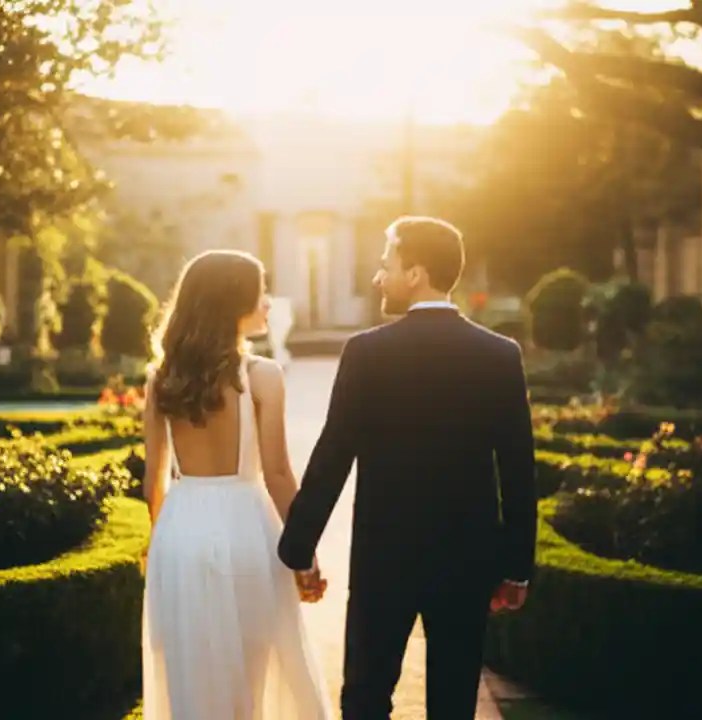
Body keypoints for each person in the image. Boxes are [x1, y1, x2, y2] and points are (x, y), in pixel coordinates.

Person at [278, 216, 537, 719]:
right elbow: (518, 470)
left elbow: (333, 456)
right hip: (469, 559)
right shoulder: (499, 355)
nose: (379, 277)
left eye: (386, 265)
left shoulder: (367, 353)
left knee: (367, 697)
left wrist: (299, 546)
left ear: (415, 273)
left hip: (384, 558)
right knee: (453, 700)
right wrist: (516, 567)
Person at [141, 250, 332, 719]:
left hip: (179, 532)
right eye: (261, 292)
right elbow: (279, 473)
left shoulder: (160, 377)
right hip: (246, 528)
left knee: (189, 677)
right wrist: (304, 552)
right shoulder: (263, 376)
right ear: (233, 302)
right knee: (251, 674)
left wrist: (160, 546)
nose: (268, 303)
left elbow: (154, 479)